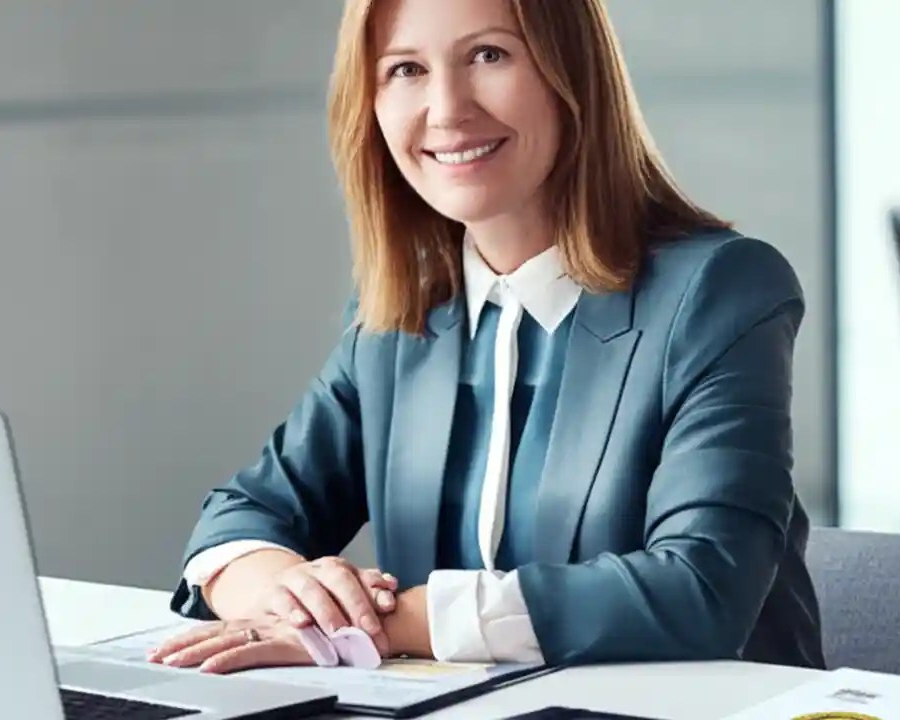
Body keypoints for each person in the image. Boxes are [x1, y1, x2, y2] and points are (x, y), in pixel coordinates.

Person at [147, 0, 825, 674]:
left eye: (489, 56)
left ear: (573, 73)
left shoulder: (719, 291)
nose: (446, 108)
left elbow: (701, 588)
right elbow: (247, 512)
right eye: (406, 69)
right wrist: (290, 597)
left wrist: (393, 621)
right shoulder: (402, 312)